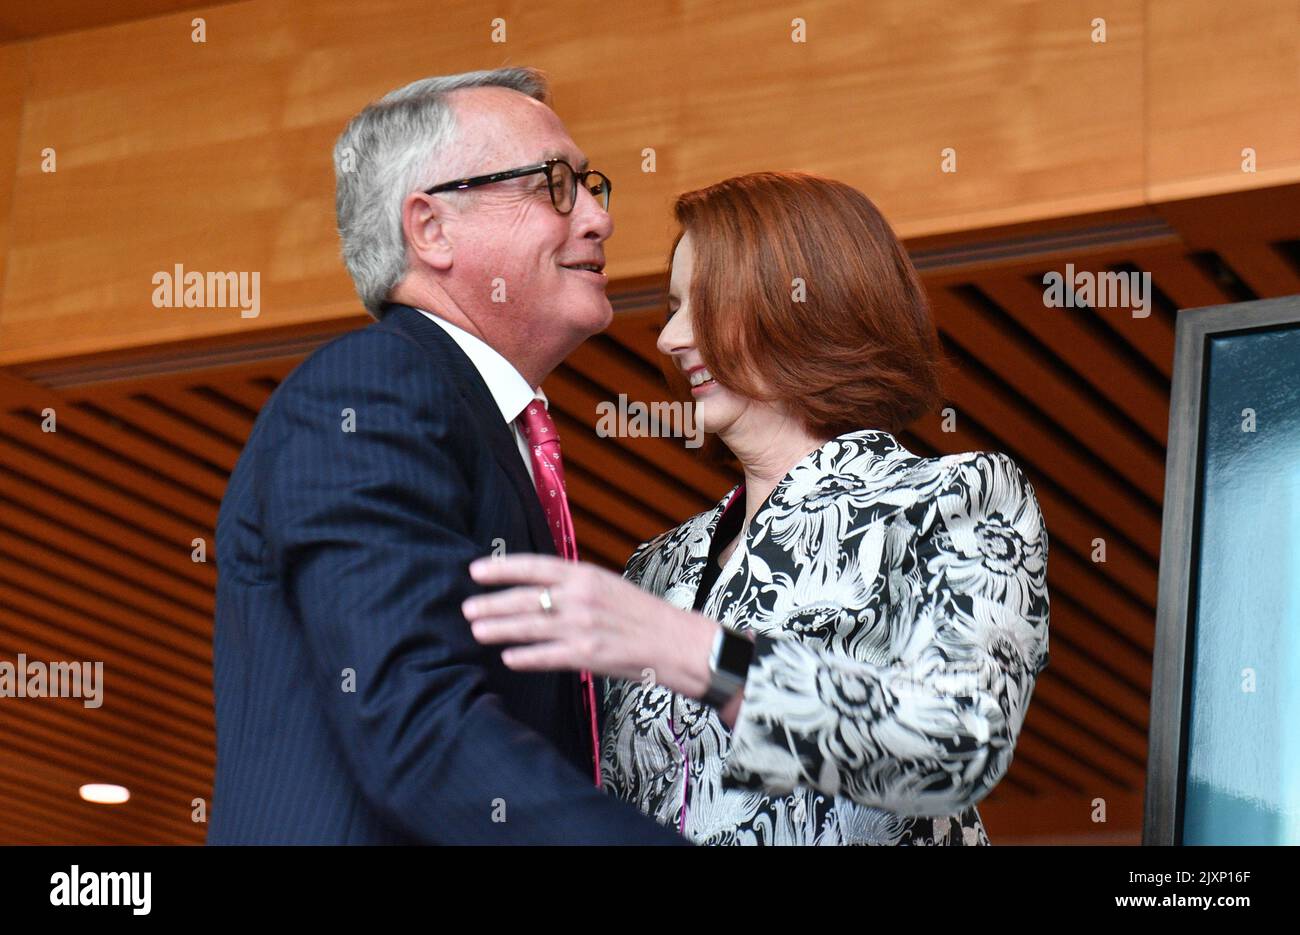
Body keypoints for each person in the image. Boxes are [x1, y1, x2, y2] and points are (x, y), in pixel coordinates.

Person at [464, 171, 1052, 845]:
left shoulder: (952, 498)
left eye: (704, 302)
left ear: (805, 297)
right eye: (673, 307)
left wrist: (698, 653)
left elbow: (962, 741)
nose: (669, 338)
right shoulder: (657, 565)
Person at [209, 67, 683, 844]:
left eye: (591, 186)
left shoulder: (481, 423)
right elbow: (416, 723)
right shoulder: (371, 388)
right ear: (429, 228)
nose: (598, 217)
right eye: (553, 184)